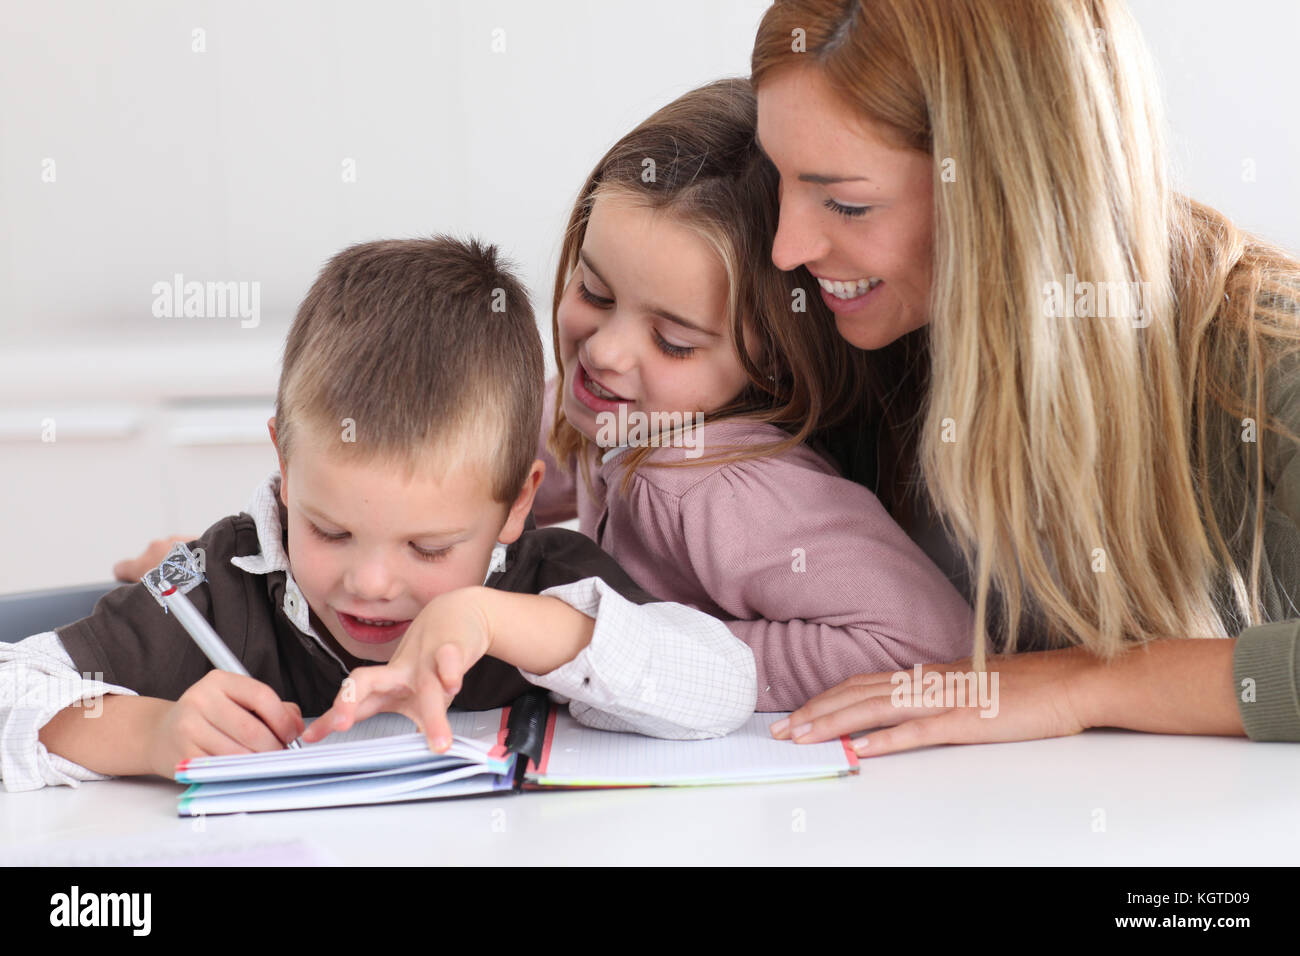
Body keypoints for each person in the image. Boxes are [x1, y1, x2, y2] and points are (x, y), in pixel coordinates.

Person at [0, 237, 756, 792]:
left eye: (429, 548)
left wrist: (493, 623)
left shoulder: (543, 585)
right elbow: (12, 684)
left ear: (517, 503)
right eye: (330, 531)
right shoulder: (211, 574)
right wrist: (153, 733)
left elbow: (725, 686)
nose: (370, 582)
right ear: (286, 471)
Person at [749, 0, 1300, 751]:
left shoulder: (1270, 366)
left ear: (1004, 200)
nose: (787, 247)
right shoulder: (864, 333)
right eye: (778, 178)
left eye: (848, 203)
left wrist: (1093, 680)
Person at [530, 78, 975, 711]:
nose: (604, 350)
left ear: (769, 362)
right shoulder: (613, 406)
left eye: (673, 340)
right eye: (595, 293)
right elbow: (484, 456)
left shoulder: (716, 486)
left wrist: (678, 658)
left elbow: (928, 646)